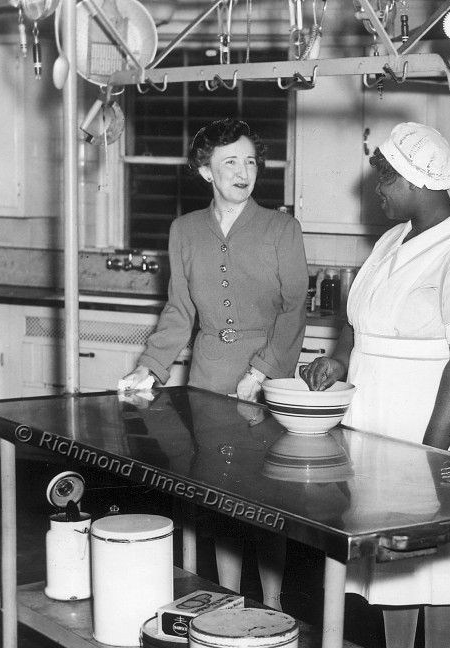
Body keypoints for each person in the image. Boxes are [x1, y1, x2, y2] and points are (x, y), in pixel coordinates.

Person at [301, 122, 450, 648]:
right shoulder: (394, 239)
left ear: (415, 180)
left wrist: (430, 457)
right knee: (389, 553)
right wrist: (340, 360)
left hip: (431, 424)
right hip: (377, 417)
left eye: (384, 179)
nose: (377, 191)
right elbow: (361, 324)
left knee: (437, 555)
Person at [118, 117, 309, 610]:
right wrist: (151, 368)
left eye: (250, 161)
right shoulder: (184, 230)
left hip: (267, 377)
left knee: (266, 500)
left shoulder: (280, 228)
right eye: (230, 162)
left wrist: (261, 371)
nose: (244, 172)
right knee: (220, 495)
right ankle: (228, 601)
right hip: (206, 374)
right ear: (206, 171)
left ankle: (274, 606)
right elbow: (180, 309)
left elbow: (293, 309)